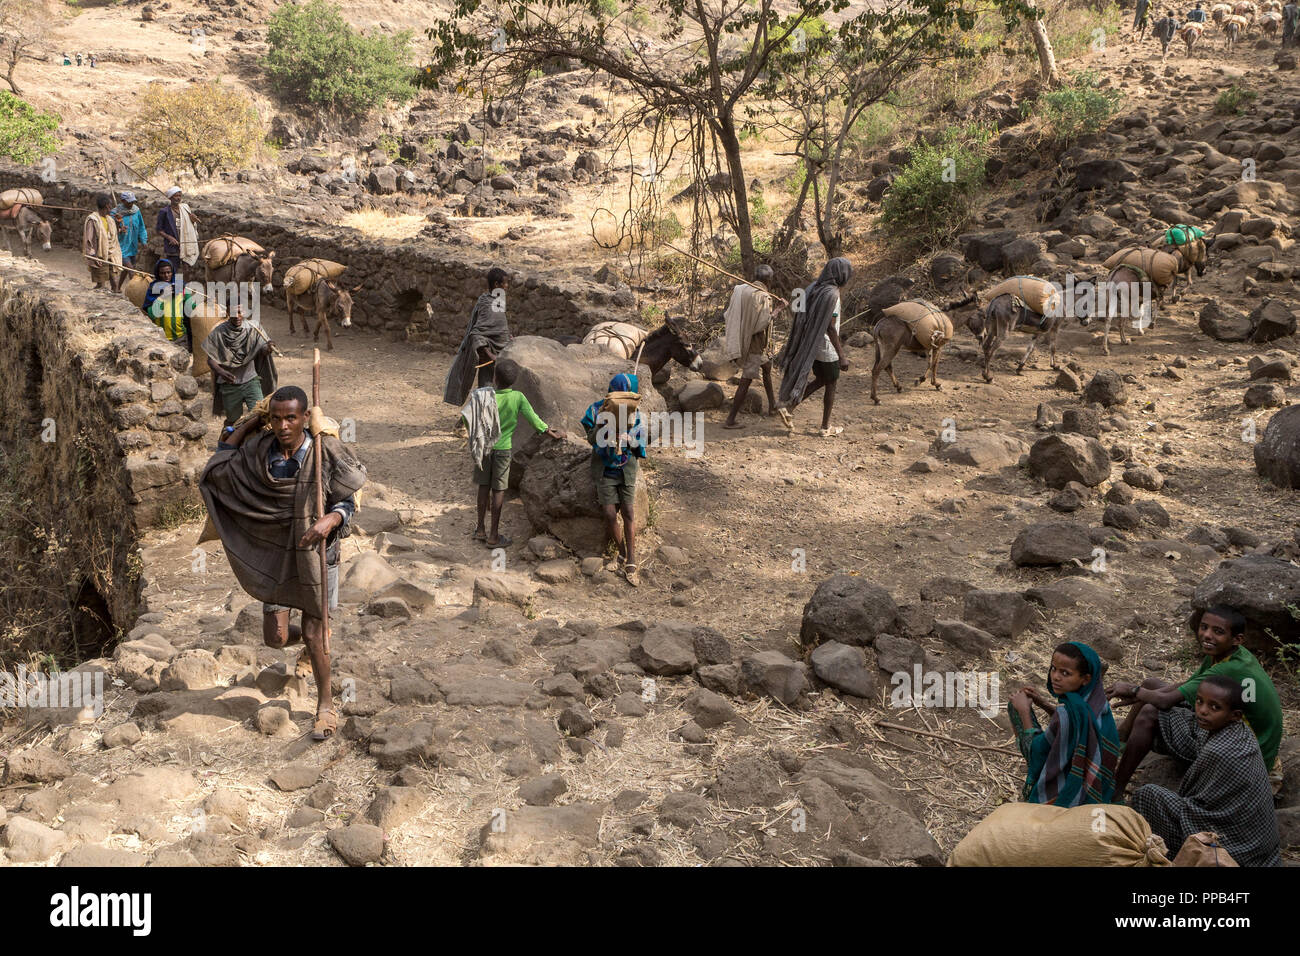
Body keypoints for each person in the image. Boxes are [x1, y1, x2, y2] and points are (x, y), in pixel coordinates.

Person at [199, 386, 366, 741]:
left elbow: (348, 499)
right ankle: (312, 642)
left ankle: (325, 705)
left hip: (318, 553)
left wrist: (330, 520)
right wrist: (250, 423)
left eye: (291, 417)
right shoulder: (259, 451)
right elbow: (220, 465)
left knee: (314, 629)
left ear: (305, 417)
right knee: (274, 637)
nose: (283, 425)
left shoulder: (325, 451)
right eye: (275, 418)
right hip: (277, 553)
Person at [1108, 605, 1283, 797]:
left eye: (1218, 632)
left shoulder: (1231, 668)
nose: (1207, 635)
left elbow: (1165, 702)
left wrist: (1133, 690)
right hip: (1225, 719)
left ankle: (1115, 790)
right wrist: (1141, 692)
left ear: (1237, 639)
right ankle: (1121, 740)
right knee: (1151, 684)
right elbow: (1189, 684)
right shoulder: (1227, 653)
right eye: (1204, 627)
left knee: (1150, 712)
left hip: (1241, 751)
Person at [1129, 675, 1282, 866]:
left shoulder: (1218, 750)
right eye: (1200, 702)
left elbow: (1191, 796)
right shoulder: (1241, 731)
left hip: (1235, 846)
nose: (1202, 711)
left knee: (1148, 795)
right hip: (1261, 842)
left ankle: (1162, 856)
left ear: (1235, 715)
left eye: (1214, 707)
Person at [462, 358, 565, 547]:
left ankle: (480, 529)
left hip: (484, 448)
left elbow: (467, 419)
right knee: (499, 490)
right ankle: (494, 535)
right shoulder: (517, 397)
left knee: (483, 487)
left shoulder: (483, 395)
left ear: (494, 377)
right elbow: (534, 420)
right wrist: (550, 431)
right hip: (503, 450)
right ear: (514, 380)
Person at [1008, 642, 1121, 807]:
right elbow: (1074, 725)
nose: (1055, 677)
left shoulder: (1067, 713)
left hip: (1070, 796)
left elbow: (1036, 752)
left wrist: (1024, 711)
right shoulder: (1098, 703)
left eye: (1065, 673)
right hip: (1098, 788)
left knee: (1015, 708)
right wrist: (1044, 704)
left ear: (1085, 679)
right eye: (1053, 668)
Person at [774, 257, 852, 438]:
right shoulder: (833, 295)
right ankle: (825, 427)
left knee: (821, 379)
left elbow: (797, 309)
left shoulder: (812, 287)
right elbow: (830, 327)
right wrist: (841, 355)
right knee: (830, 383)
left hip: (810, 345)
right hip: (825, 347)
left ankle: (789, 405)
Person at [581, 372, 646, 586]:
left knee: (628, 511)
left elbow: (641, 443)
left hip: (626, 469)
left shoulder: (636, 414)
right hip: (605, 468)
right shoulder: (596, 409)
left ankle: (632, 561)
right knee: (609, 513)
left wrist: (630, 440)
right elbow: (591, 438)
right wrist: (605, 430)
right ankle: (623, 552)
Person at [444, 266, 512, 407]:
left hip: (502, 352)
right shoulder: (486, 303)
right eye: (505, 283)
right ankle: (464, 422)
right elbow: (477, 333)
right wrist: (489, 354)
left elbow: (498, 326)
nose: (507, 286)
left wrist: (506, 335)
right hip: (490, 357)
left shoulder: (498, 301)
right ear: (496, 285)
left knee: (499, 392)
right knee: (486, 391)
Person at [721, 264, 779, 430]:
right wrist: (777, 311)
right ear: (768, 280)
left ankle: (773, 406)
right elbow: (761, 324)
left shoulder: (741, 289)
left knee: (766, 367)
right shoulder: (763, 296)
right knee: (745, 382)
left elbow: (730, 313)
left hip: (744, 338)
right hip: (754, 344)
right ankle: (730, 420)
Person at [203, 305, 276, 428]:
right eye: (233, 312)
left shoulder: (253, 328)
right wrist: (221, 372)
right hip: (229, 384)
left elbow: (262, 351)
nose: (237, 316)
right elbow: (211, 360)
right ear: (227, 312)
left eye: (240, 312)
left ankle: (256, 444)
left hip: (251, 380)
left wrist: (268, 347)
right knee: (233, 421)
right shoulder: (219, 332)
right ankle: (227, 444)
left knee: (261, 415)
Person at [142, 258, 192, 341]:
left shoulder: (180, 286)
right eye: (162, 273)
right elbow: (151, 314)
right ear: (157, 274)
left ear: (172, 272)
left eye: (169, 272)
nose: (166, 276)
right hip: (160, 338)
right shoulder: (154, 289)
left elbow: (191, 307)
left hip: (180, 336)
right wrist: (163, 296)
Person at [156, 186, 201, 275]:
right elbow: (159, 230)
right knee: (174, 270)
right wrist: (170, 238)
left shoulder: (185, 209)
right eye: (175, 196)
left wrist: (192, 220)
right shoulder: (164, 212)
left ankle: (185, 289)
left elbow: (190, 225)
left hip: (185, 244)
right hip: (173, 246)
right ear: (170, 197)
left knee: (187, 270)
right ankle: (175, 288)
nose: (178, 198)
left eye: (179, 196)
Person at [82, 192, 121, 291]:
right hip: (100, 256)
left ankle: (116, 300)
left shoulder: (110, 220)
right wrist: (93, 257)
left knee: (115, 283)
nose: (111, 208)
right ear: (107, 206)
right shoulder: (93, 220)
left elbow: (112, 235)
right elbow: (89, 240)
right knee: (101, 285)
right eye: (110, 206)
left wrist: (119, 226)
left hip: (111, 255)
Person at [112, 190, 148, 284]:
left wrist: (144, 241)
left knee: (127, 268)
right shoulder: (115, 213)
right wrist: (119, 228)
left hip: (132, 245)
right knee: (131, 270)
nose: (131, 204)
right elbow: (110, 230)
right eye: (129, 202)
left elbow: (141, 226)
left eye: (132, 201)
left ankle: (118, 287)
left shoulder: (136, 211)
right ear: (123, 201)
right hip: (121, 246)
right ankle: (135, 292)